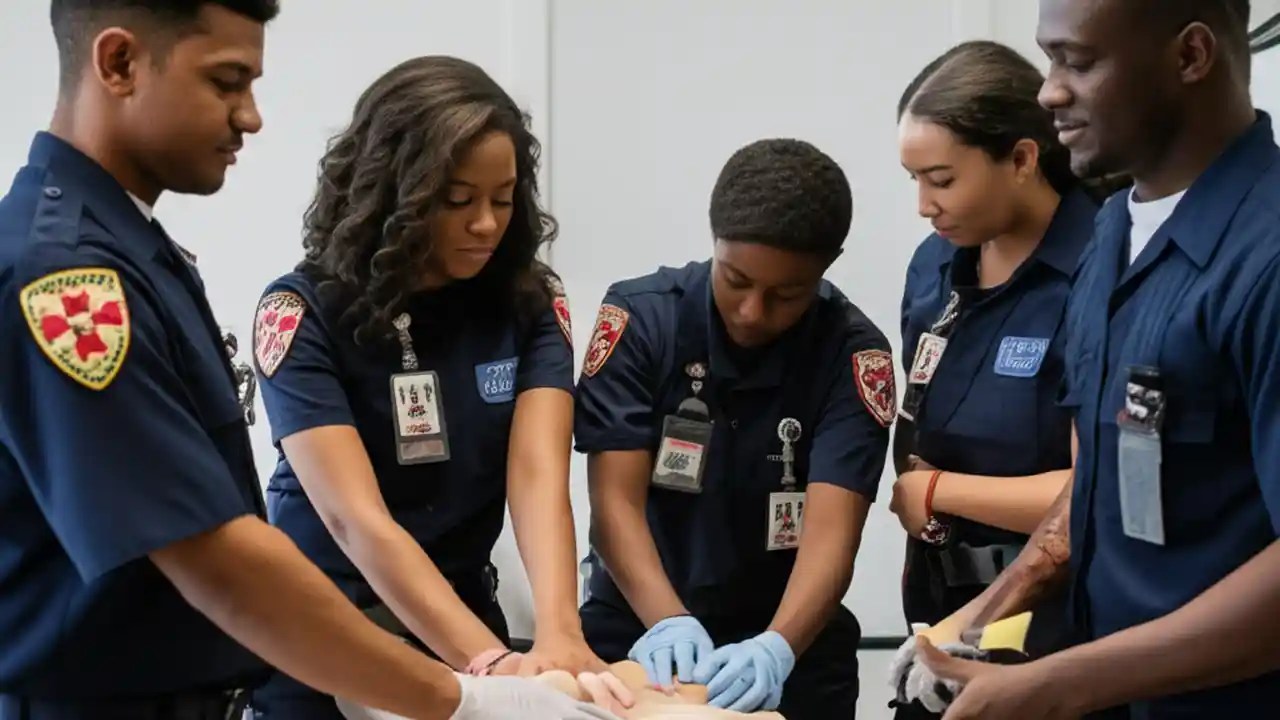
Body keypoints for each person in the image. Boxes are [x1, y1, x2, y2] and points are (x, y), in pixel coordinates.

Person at [0, 3, 619, 719]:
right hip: (122, 696)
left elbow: (536, 471)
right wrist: (472, 692)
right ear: (118, 64)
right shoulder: (66, 278)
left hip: (219, 679)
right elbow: (215, 556)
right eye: (227, 82)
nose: (252, 116)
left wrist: (548, 638)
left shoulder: (141, 255)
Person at [897, 0, 1280, 717]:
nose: (1048, 92)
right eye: (1049, 59)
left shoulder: (1266, 256)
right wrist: (979, 624)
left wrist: (1062, 683)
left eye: (1079, 61)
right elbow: (1096, 485)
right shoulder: (1114, 234)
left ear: (1191, 57)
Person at [249, 55, 628, 718]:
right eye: (457, 202)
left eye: (503, 199)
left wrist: (560, 631)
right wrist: (491, 668)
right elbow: (355, 519)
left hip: (462, 610)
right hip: (328, 632)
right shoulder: (300, 311)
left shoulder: (531, 302)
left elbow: (537, 473)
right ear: (393, 193)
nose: (486, 223)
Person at [575, 138, 895, 719]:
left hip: (790, 639)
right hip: (640, 632)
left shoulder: (853, 356)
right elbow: (613, 506)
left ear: (827, 266)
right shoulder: (643, 321)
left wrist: (777, 648)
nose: (752, 311)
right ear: (714, 240)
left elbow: (831, 539)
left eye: (786, 294)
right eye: (736, 279)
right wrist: (669, 621)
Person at [886, 40, 1099, 717]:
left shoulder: (1099, 269)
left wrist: (942, 491)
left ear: (1021, 159)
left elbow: (1092, 492)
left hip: (1054, 626)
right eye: (914, 180)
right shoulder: (934, 266)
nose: (924, 204)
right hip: (935, 608)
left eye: (942, 180)